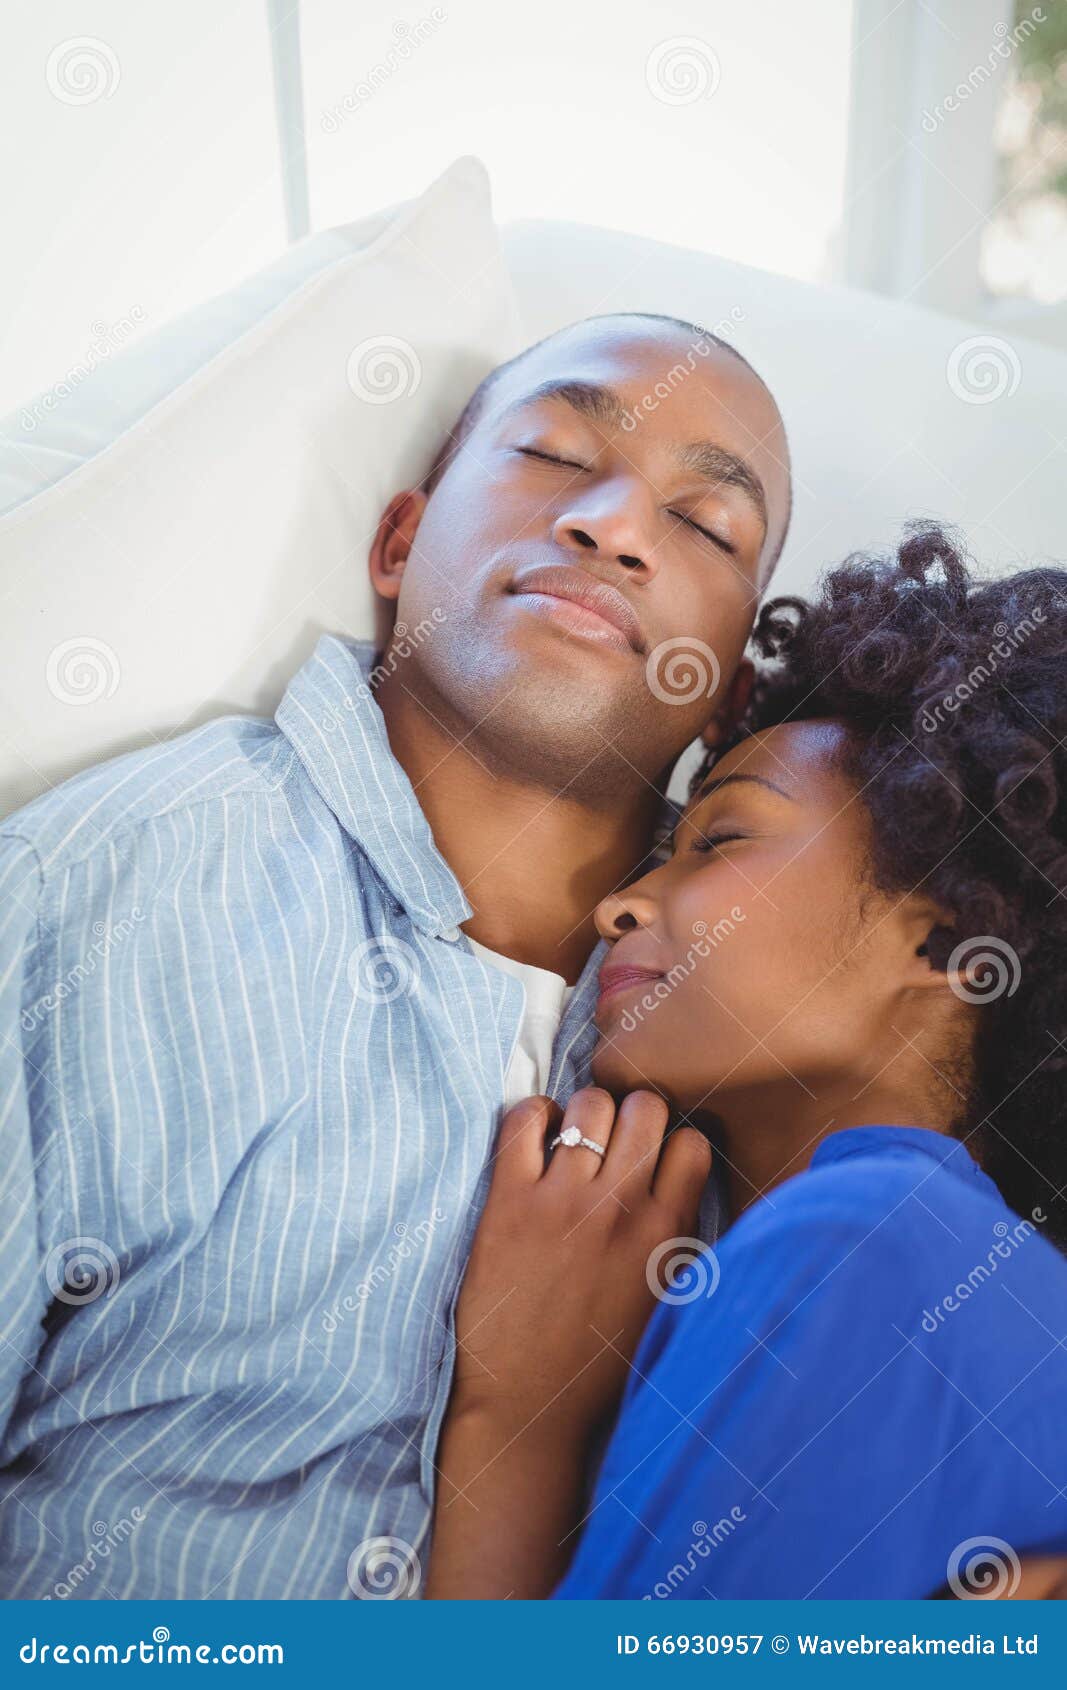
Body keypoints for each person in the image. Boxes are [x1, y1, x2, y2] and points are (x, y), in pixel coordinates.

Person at [0, 314, 791, 1597]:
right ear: (399, 541)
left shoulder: (768, 1033)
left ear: (734, 693)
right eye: (549, 452)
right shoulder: (93, 891)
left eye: (705, 526)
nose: (615, 527)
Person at [426, 528, 1067, 1600]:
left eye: (719, 841)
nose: (617, 906)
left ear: (948, 938)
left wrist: (520, 1416)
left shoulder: (866, 1244)